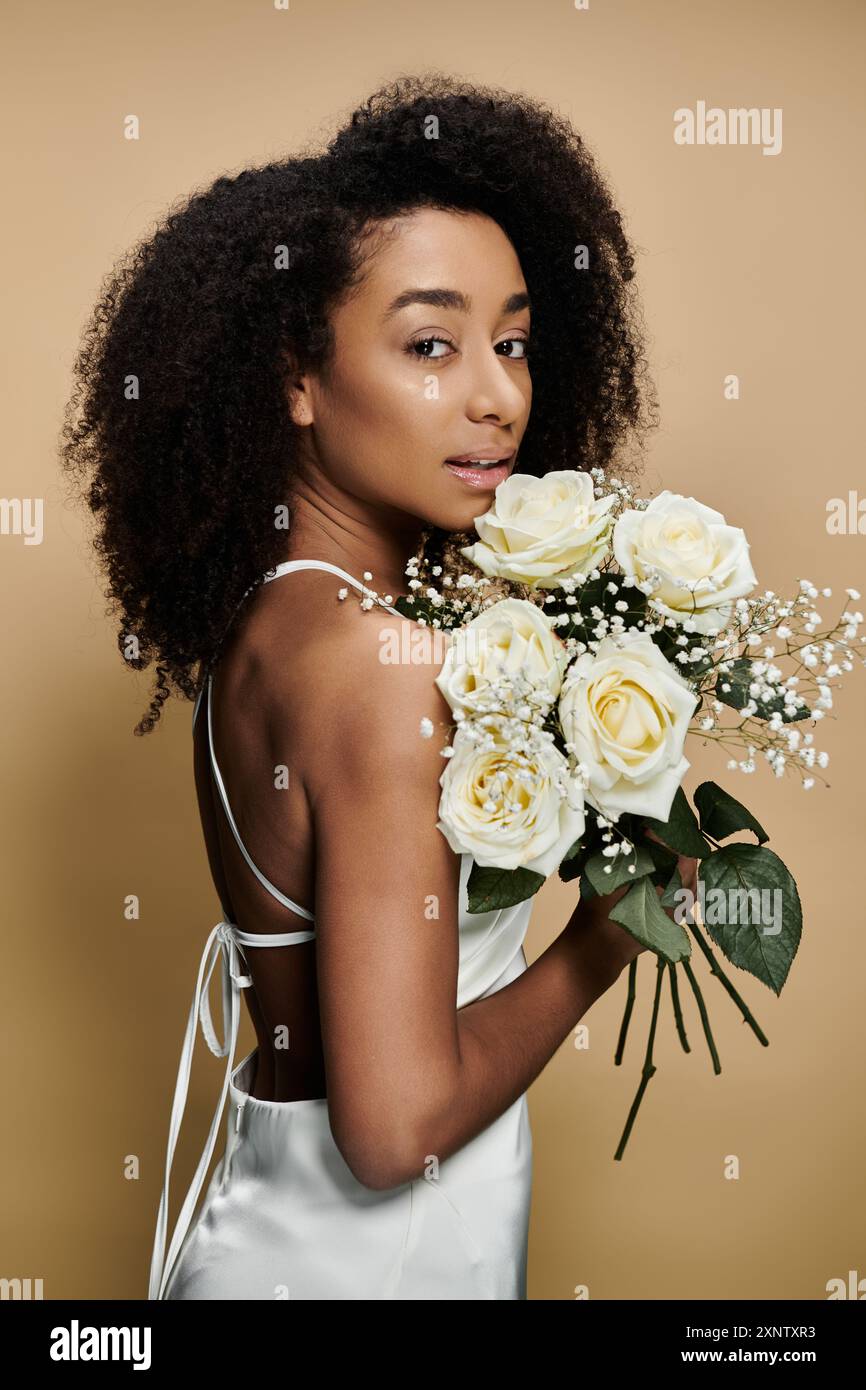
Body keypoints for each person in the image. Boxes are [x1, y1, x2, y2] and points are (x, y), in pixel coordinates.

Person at [61, 72, 676, 1300]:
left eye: (510, 343)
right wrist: (604, 941)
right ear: (294, 374)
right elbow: (394, 1131)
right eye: (429, 345)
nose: (496, 396)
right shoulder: (370, 667)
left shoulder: (284, 624)